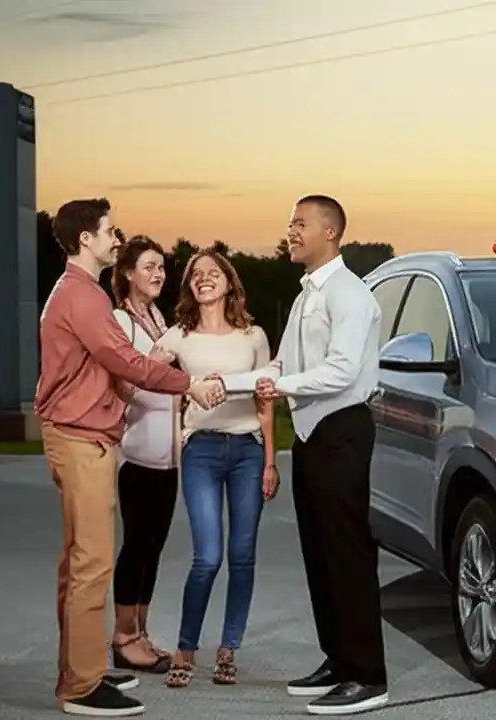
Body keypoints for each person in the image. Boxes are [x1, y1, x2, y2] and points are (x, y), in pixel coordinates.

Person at [36, 198, 225, 718]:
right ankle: (80, 686)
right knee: (91, 564)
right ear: (84, 240)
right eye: (107, 230)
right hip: (81, 439)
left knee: (78, 565)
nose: (114, 237)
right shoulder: (84, 297)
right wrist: (189, 383)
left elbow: (121, 366)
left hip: (81, 435)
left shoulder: (80, 293)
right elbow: (127, 362)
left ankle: (85, 668)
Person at [217, 195, 388, 715]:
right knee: (318, 551)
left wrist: (281, 386)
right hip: (312, 437)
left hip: (343, 431)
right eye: (289, 223)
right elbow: (279, 366)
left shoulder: (350, 294)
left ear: (330, 231)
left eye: (300, 223)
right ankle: (338, 660)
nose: (290, 231)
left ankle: (368, 676)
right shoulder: (305, 296)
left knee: (347, 552)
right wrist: (224, 383)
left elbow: (340, 371)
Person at [154, 249, 280, 690]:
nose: (204, 278)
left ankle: (229, 648)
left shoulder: (254, 336)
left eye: (213, 272)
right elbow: (143, 371)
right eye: (195, 274)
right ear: (189, 287)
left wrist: (270, 462)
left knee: (242, 556)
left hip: (248, 450)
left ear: (229, 282)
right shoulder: (178, 337)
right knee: (207, 557)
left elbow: (265, 401)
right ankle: (186, 647)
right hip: (201, 451)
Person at [108, 234, 179, 675]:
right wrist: (156, 359)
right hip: (137, 458)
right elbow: (122, 387)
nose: (158, 275)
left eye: (162, 267)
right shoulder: (120, 321)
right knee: (136, 547)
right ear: (128, 273)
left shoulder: (157, 316)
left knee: (154, 548)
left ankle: (142, 634)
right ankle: (122, 637)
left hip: (169, 459)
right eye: (149, 267)